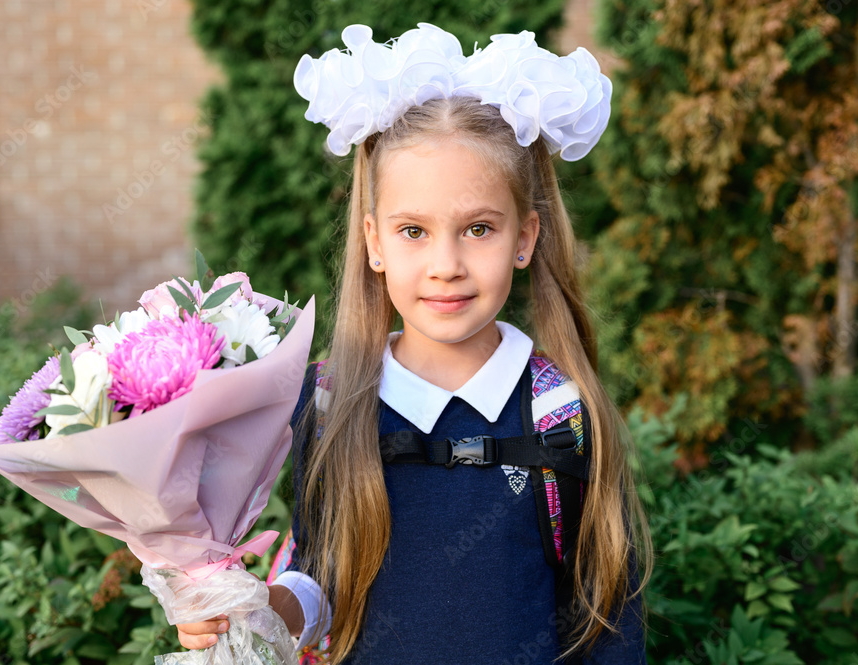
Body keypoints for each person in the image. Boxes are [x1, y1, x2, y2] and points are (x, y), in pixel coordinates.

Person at [175, 22, 653, 664]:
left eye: (478, 228)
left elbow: (608, 612)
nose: (446, 264)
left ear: (526, 238)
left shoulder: (562, 411)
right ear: (373, 241)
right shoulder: (329, 402)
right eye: (413, 232)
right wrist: (253, 615)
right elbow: (321, 571)